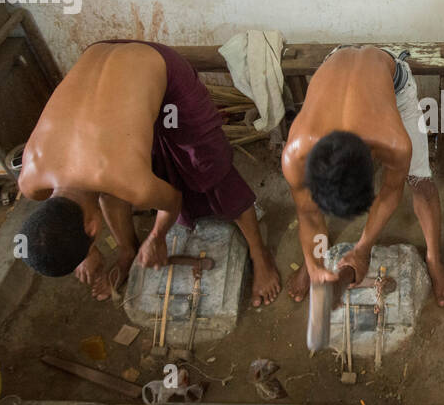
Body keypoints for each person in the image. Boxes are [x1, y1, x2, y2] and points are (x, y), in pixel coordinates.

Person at [17, 40, 282, 305]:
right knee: (112, 180)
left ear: (92, 227)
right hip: (99, 53)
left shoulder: (128, 181)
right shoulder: (30, 179)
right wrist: (87, 252)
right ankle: (127, 251)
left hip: (160, 68)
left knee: (209, 168)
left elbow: (172, 201)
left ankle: (261, 255)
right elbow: (83, 199)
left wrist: (156, 238)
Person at [282, 46, 444, 306]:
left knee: (420, 181)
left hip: (392, 82)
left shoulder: (395, 143)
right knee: (310, 211)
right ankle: (317, 257)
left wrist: (362, 250)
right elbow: (308, 214)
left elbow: (390, 194)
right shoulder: (295, 153)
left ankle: (434, 258)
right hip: (336, 64)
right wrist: (312, 264)